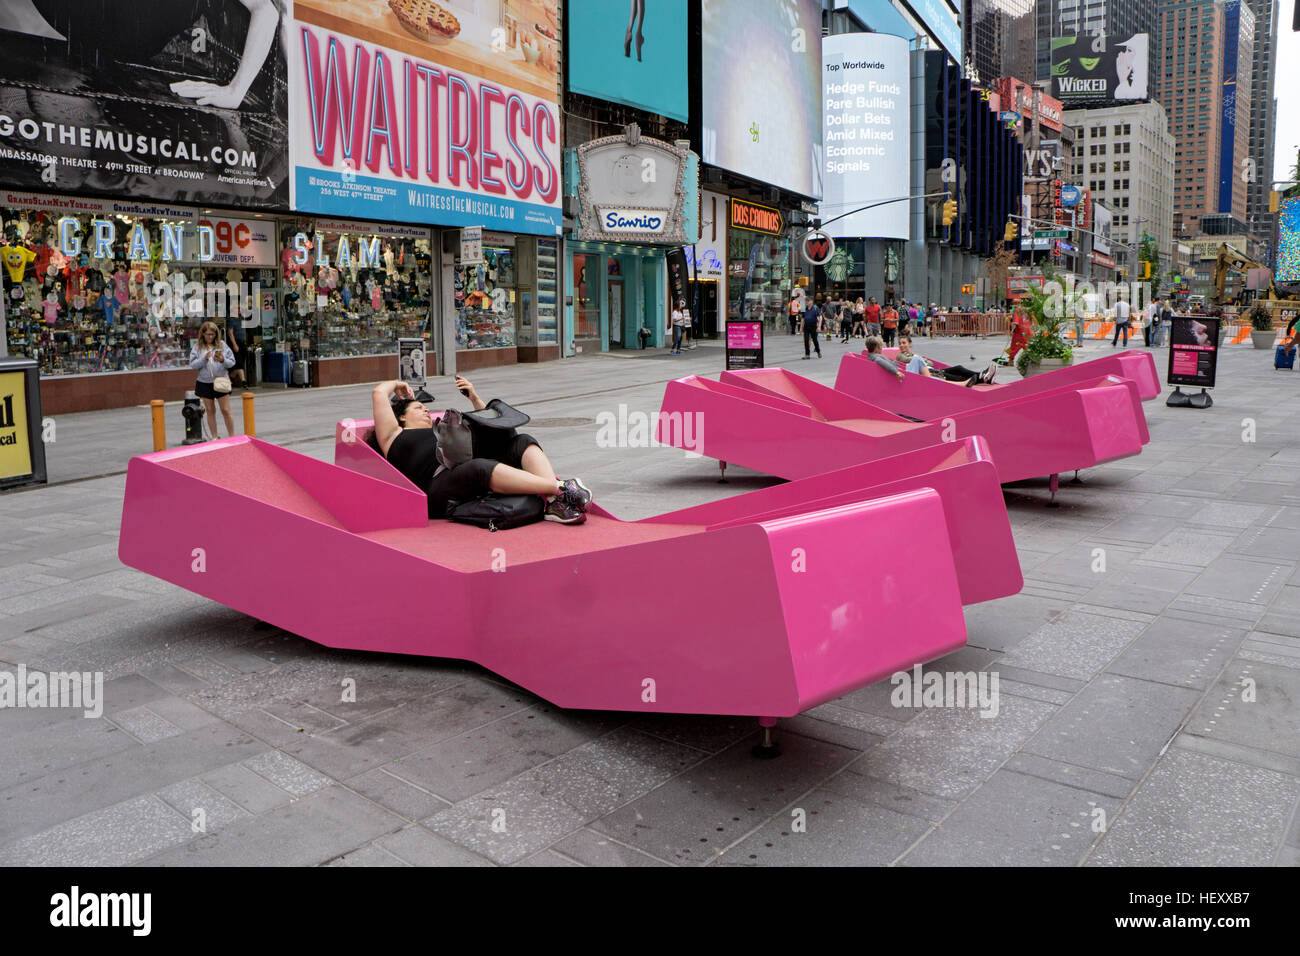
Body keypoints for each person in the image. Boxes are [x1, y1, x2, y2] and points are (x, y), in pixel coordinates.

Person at [371, 377, 591, 525]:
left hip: (461, 465)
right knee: (477, 468)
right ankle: (561, 487)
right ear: (401, 417)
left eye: (426, 407)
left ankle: (554, 502)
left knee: (521, 441)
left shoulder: (441, 430)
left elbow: (492, 429)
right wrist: (398, 384)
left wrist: (474, 398)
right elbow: (378, 392)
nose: (426, 410)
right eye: (419, 408)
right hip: (436, 488)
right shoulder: (393, 436)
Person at [190, 321, 237, 438]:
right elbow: (193, 365)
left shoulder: (222, 345)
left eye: (212, 334)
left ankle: (232, 436)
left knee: (225, 410)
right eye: (208, 334)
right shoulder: (197, 347)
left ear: (216, 334)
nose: (210, 337)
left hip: (221, 381)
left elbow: (232, 362)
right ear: (203, 334)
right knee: (210, 411)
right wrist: (204, 359)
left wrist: (222, 360)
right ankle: (214, 437)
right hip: (204, 382)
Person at [896, 333, 996, 386]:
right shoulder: (900, 356)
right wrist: (923, 360)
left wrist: (923, 360)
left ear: (910, 344)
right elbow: (909, 360)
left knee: (958, 369)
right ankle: (983, 378)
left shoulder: (914, 355)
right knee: (957, 376)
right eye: (900, 343)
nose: (902, 345)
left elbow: (930, 362)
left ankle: (983, 376)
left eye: (904, 343)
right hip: (929, 372)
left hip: (930, 369)